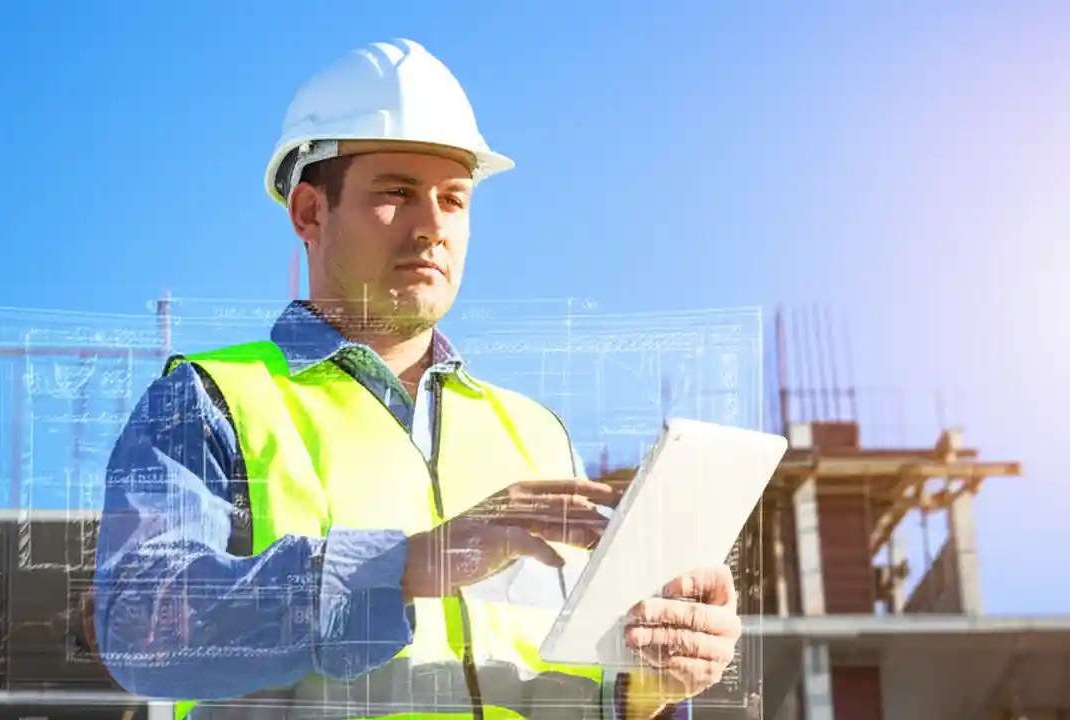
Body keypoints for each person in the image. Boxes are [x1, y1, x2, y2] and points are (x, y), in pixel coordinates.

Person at [92, 38, 741, 720]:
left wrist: (655, 685)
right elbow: (145, 627)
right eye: (397, 194)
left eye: (453, 200)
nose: (432, 226)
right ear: (310, 213)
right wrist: (404, 565)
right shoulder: (210, 400)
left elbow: (575, 692)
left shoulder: (537, 433)